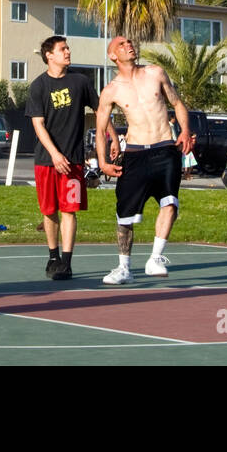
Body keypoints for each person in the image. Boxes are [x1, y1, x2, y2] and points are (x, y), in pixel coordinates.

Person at [95, 36, 194, 284]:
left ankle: (155, 258)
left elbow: (177, 103)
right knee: (125, 215)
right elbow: (99, 130)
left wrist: (184, 130)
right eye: (121, 44)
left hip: (164, 148)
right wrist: (103, 162)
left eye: (130, 42)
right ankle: (123, 268)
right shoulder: (111, 90)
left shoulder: (156, 73)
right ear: (112, 56)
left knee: (169, 202)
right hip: (136, 154)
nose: (129, 45)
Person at [27, 35, 99, 281]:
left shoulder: (80, 81)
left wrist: (108, 138)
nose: (68, 52)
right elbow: (38, 125)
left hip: (74, 162)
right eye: (63, 49)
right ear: (49, 55)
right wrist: (55, 154)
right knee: (49, 211)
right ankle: (53, 257)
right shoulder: (38, 86)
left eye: (68, 48)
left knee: (69, 211)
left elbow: (101, 110)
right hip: (46, 162)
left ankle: (66, 263)